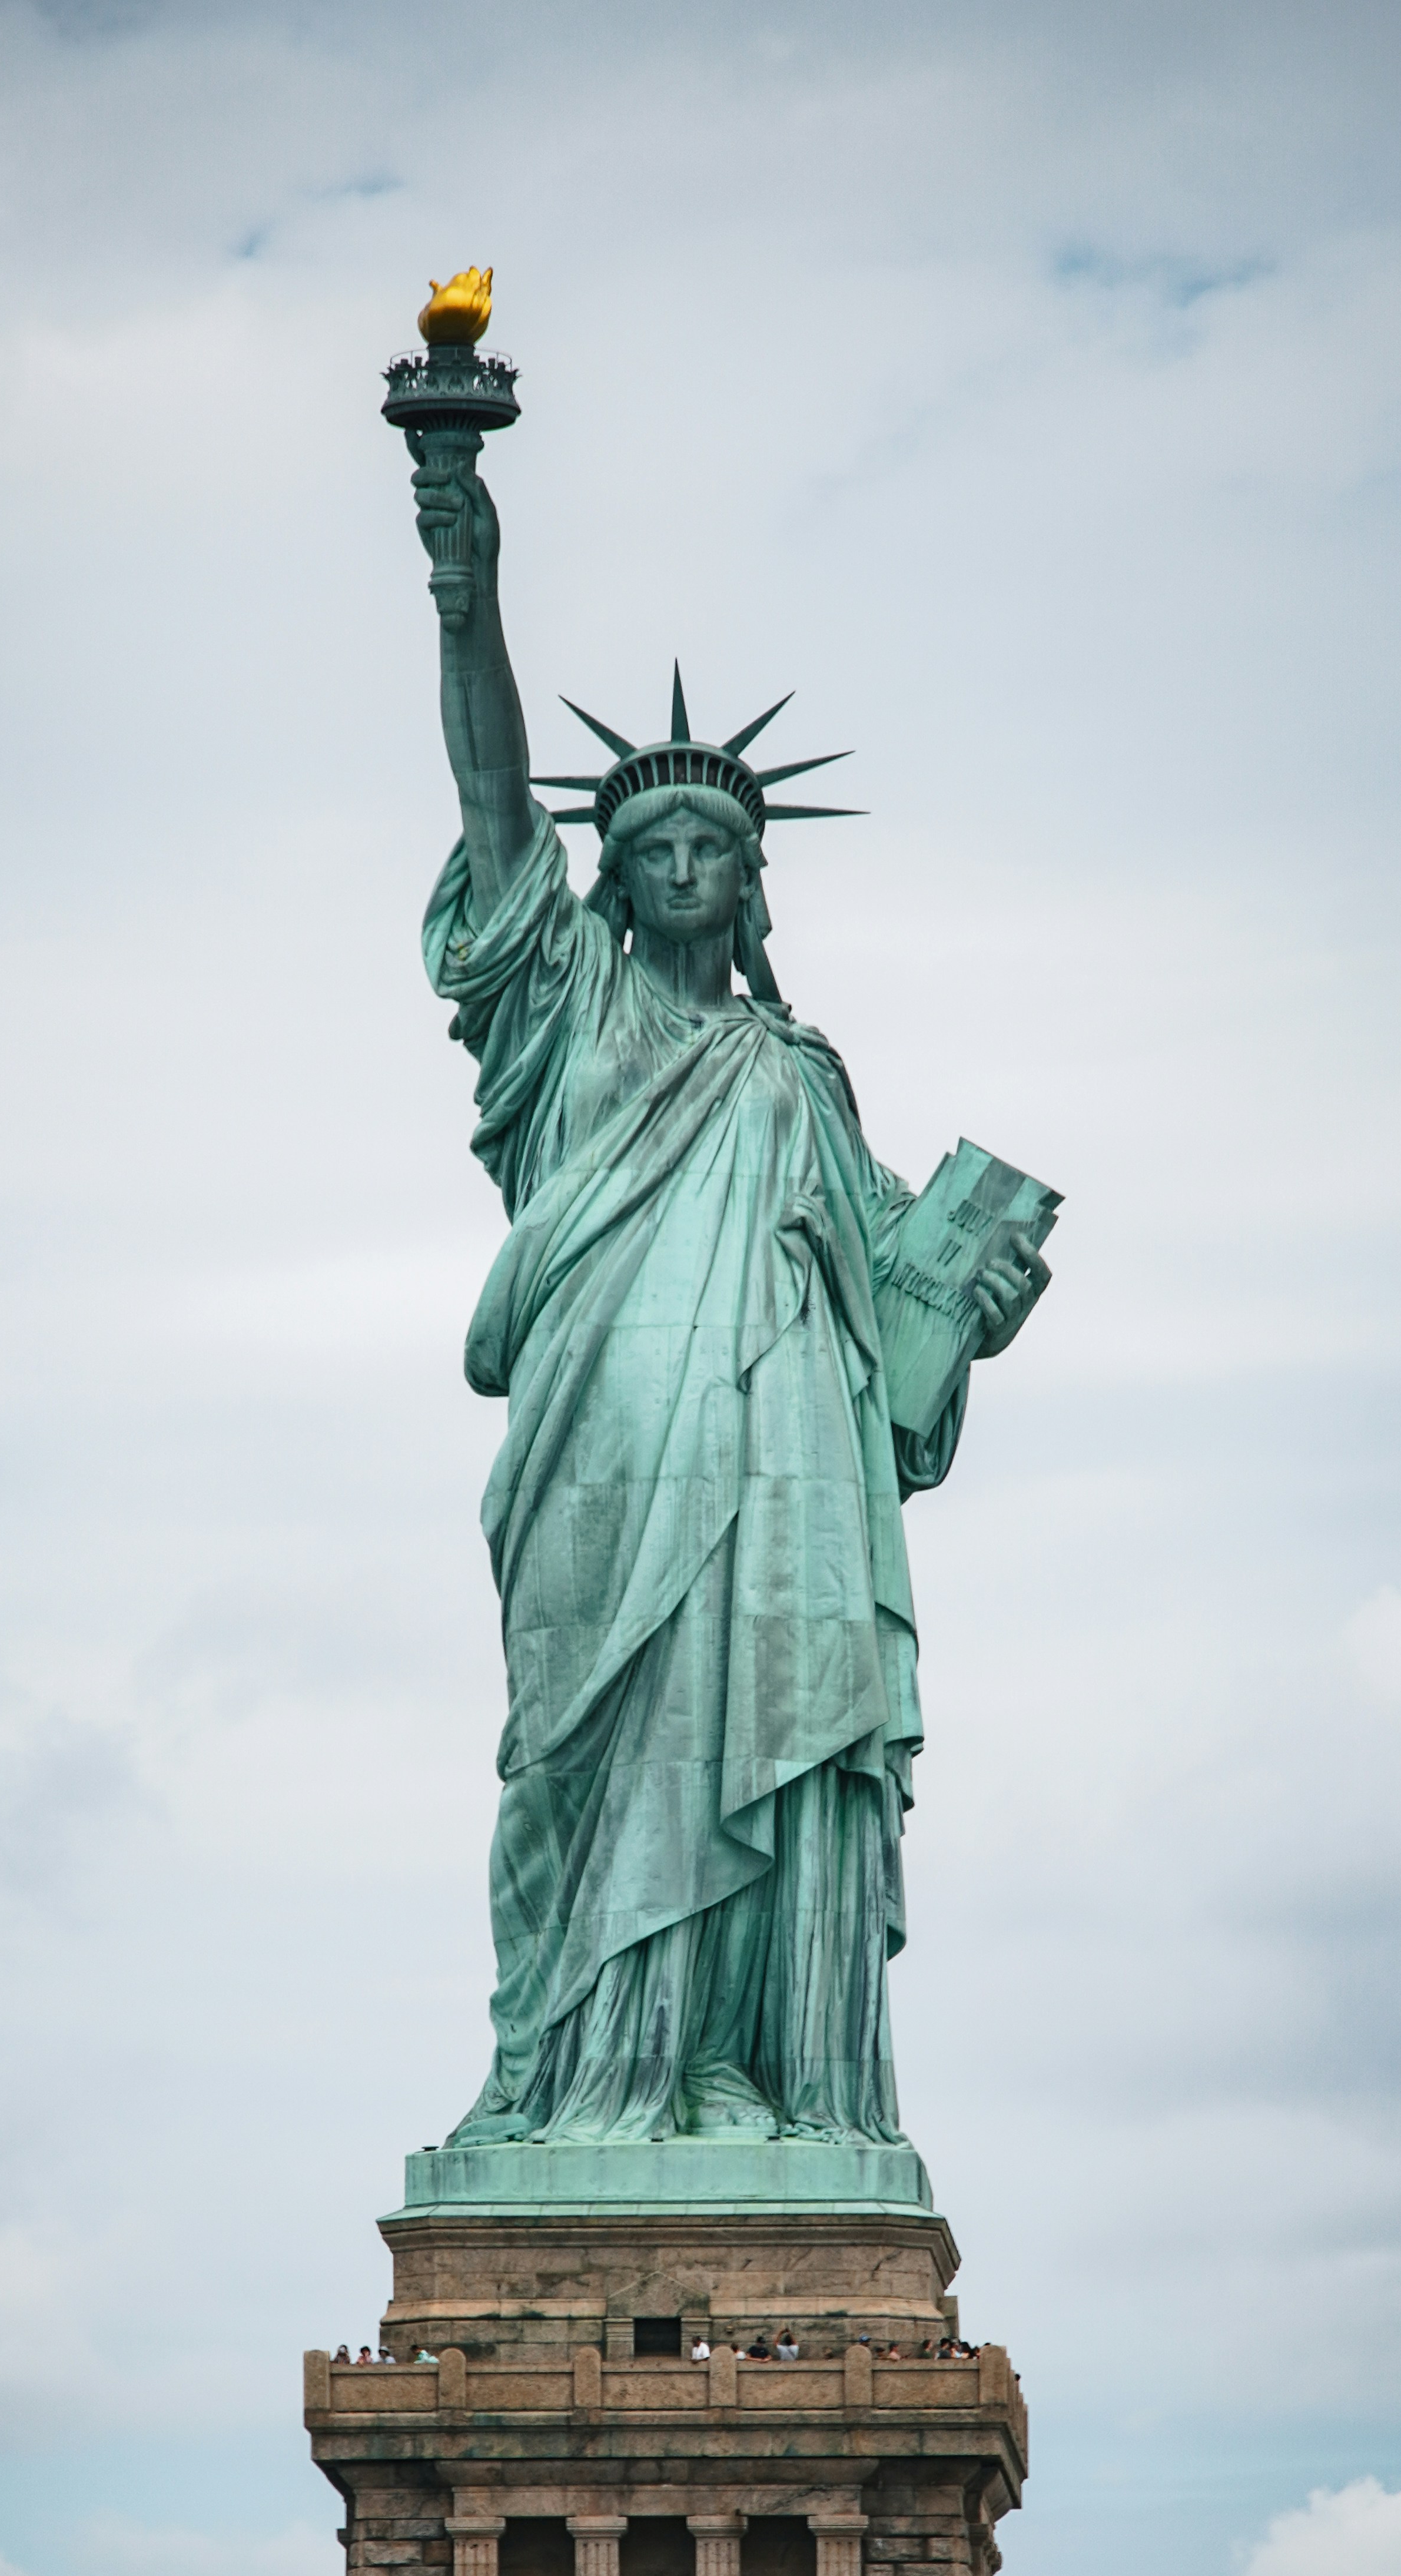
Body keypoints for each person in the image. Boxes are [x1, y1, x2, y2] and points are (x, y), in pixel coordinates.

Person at [406, 447, 1049, 2151]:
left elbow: (896, 1306)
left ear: (751, 882)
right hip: (603, 1449)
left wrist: (976, 1286)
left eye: (714, 840)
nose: (683, 860)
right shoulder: (562, 1020)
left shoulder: (797, 1075)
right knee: (587, 1749)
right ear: (606, 878)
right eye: (651, 841)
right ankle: (571, 2068)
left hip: (781, 1475)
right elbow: (489, 804)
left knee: (747, 1732)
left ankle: (730, 2068)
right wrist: (463, 576)